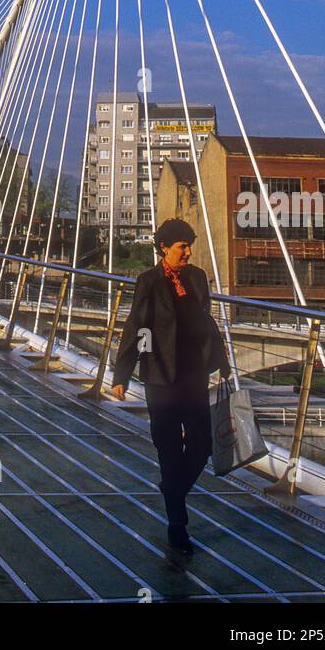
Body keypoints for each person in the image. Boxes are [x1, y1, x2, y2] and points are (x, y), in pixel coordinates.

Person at [111, 217, 230, 556]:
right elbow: (136, 325)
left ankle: (172, 488)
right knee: (168, 449)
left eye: (189, 245)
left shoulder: (197, 278)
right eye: (182, 246)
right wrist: (122, 374)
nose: (188, 252)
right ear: (164, 248)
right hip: (160, 376)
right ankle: (178, 527)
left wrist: (221, 362)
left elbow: (207, 323)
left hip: (193, 375)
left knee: (202, 444)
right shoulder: (148, 282)